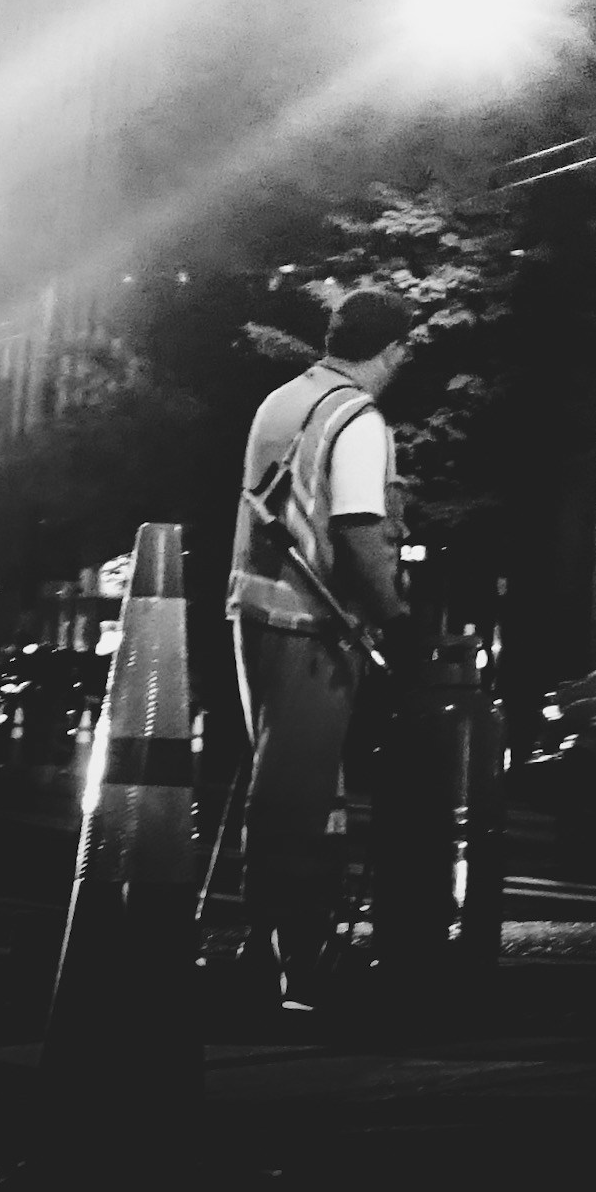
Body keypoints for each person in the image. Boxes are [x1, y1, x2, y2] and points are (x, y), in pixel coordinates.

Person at [229, 289, 419, 1007]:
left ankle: (266, 941)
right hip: (311, 623)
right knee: (298, 793)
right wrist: (396, 620)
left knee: (281, 784)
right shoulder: (357, 419)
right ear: (394, 349)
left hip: (255, 612)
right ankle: (293, 955)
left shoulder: (284, 401)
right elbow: (358, 532)